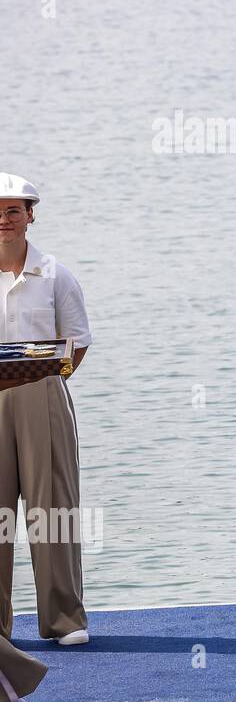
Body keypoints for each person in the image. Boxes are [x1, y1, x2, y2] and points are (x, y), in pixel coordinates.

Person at [0, 173, 92, 647]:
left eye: (13, 211)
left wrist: (45, 381)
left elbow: (77, 342)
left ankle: (64, 620)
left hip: (43, 394)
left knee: (52, 509)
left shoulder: (56, 275)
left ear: (30, 216)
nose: (4, 220)